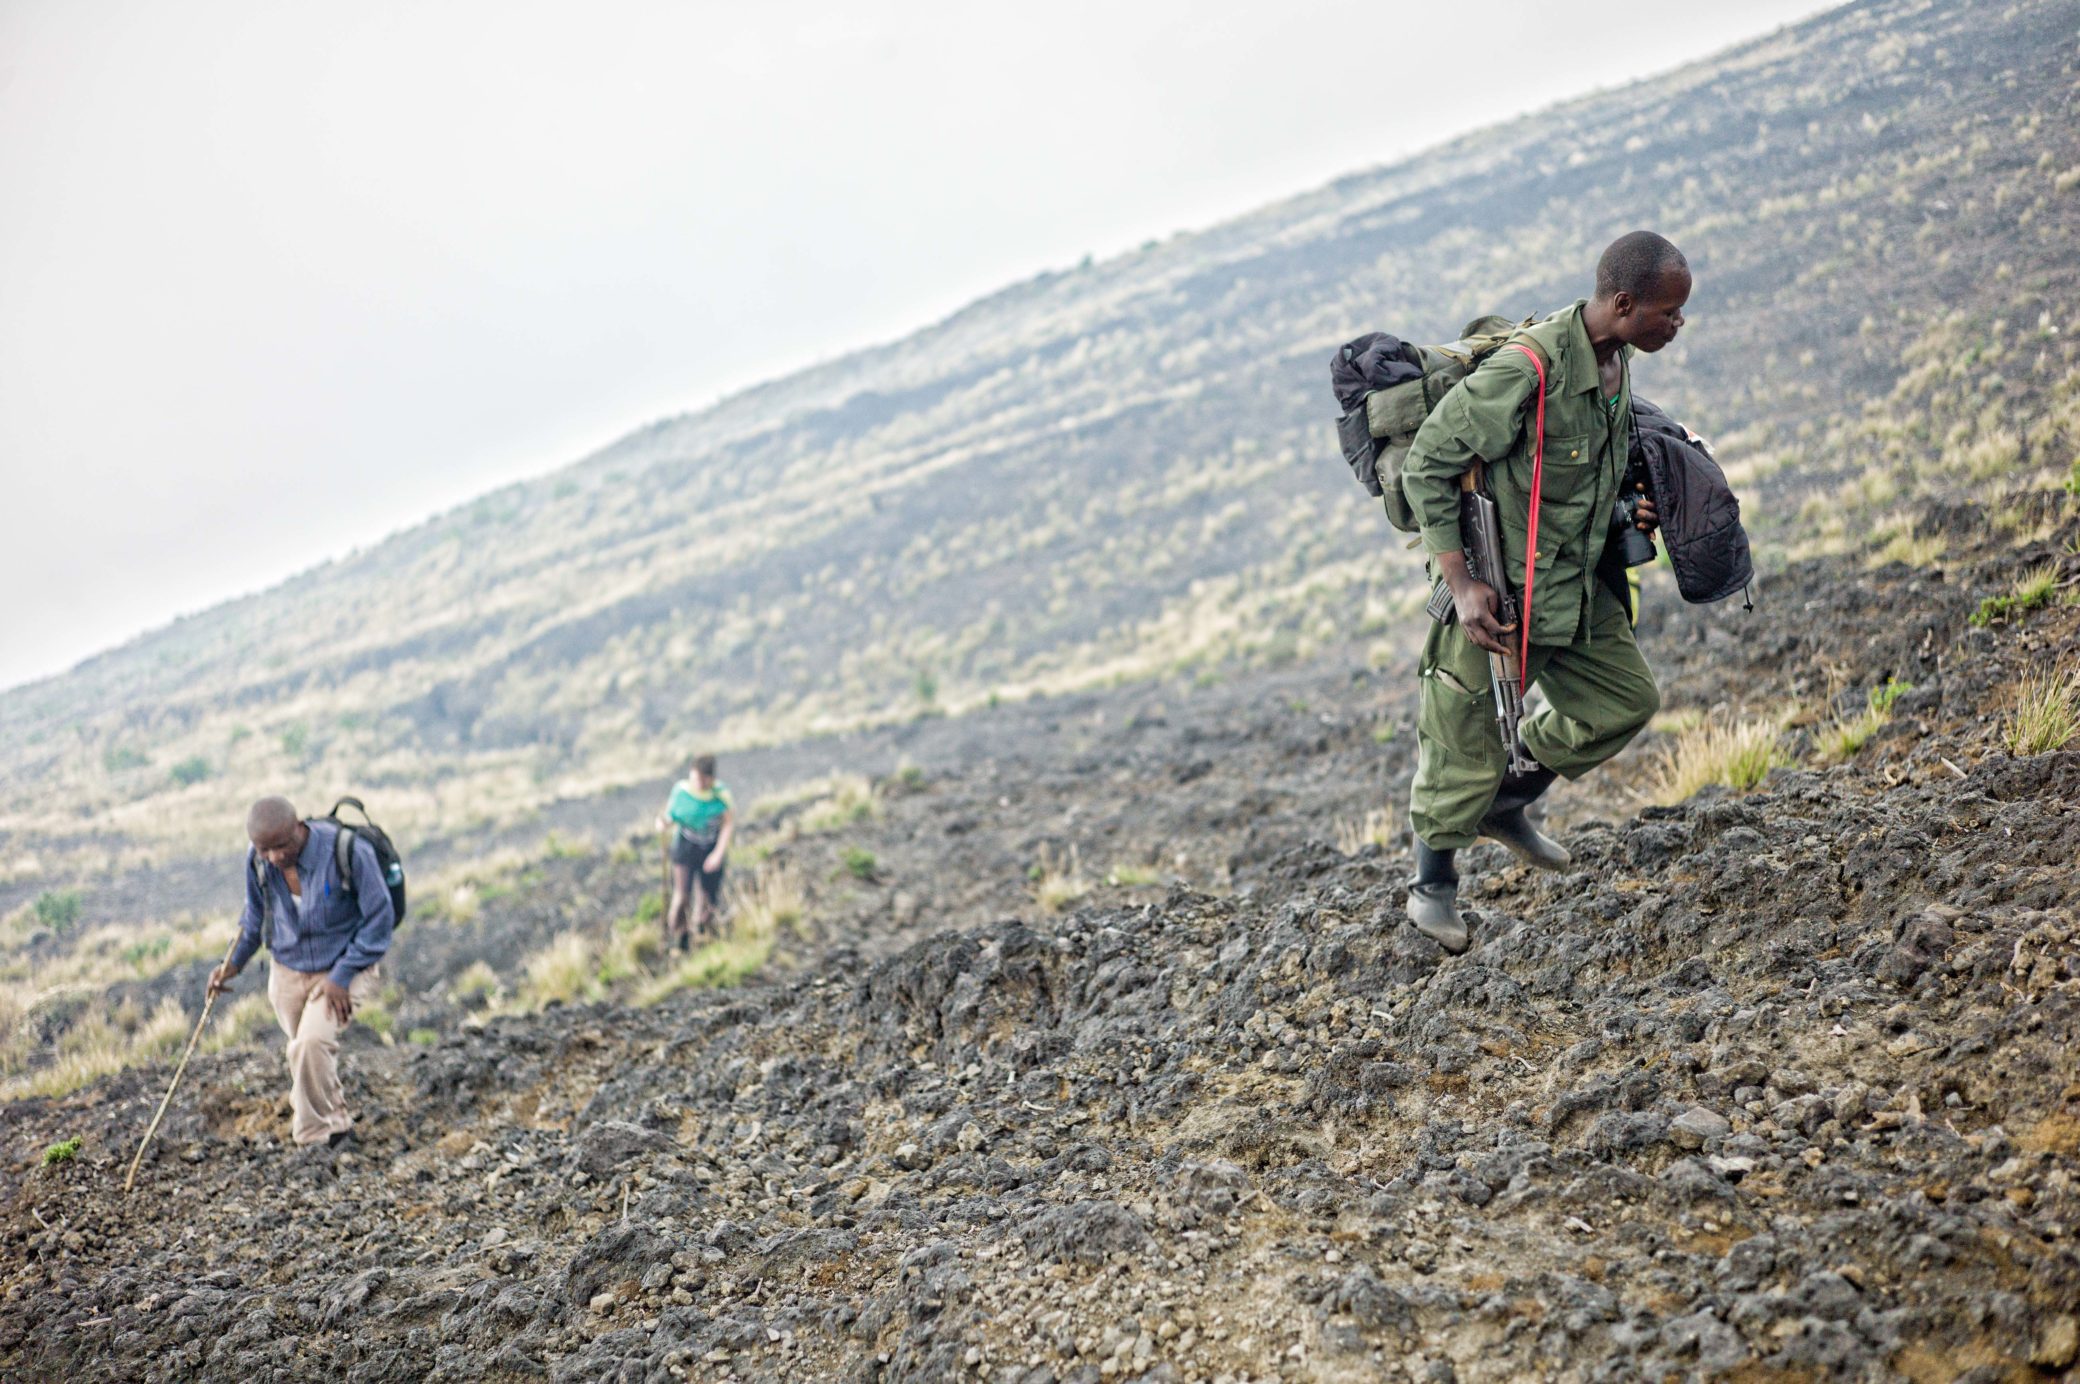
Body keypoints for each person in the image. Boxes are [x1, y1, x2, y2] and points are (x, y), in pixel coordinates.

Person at [1398, 230, 1687, 954]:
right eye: (1668, 313)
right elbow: (1429, 463)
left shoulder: (1616, 369)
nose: (1676, 326)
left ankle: (1511, 797)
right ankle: (1432, 887)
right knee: (1461, 737)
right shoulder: (1528, 371)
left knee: (1625, 701)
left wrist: (1629, 510)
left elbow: (1589, 478)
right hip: (1497, 590)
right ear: (1623, 303)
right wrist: (1463, 587)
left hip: (1575, 585)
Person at [206, 796, 394, 1148]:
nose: (275, 857)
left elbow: (379, 920)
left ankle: (313, 1137)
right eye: (265, 850)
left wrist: (342, 975)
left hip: (344, 964)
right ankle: (338, 1125)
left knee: (311, 1043)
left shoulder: (346, 851)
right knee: (308, 1054)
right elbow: (253, 919)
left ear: (299, 828)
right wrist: (230, 966)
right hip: (288, 969)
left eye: (282, 846)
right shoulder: (259, 861)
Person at [655, 754, 734, 951]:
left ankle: (703, 933)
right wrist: (663, 823)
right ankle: (679, 937)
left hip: (710, 847)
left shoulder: (720, 795)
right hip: (685, 848)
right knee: (681, 895)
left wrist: (718, 854)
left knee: (707, 896)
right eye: (696, 778)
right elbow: (671, 815)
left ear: (711, 778)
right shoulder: (681, 791)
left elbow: (728, 823)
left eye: (703, 779)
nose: (699, 783)